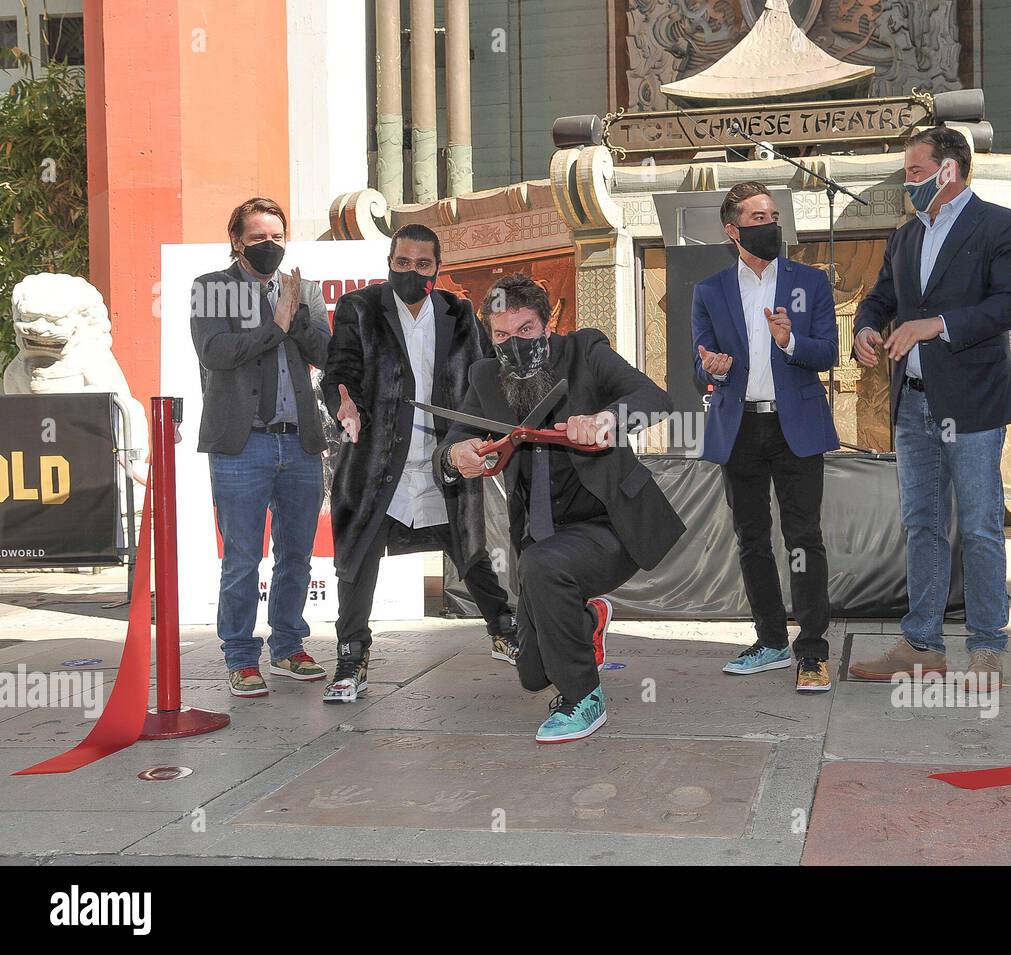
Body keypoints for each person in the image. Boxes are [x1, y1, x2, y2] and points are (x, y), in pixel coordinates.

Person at [440, 273, 685, 743]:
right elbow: (453, 440)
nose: (514, 344)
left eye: (526, 330)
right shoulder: (485, 376)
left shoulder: (586, 353)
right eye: (502, 335)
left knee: (543, 565)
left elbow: (656, 398)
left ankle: (583, 698)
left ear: (547, 324)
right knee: (532, 674)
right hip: (540, 538)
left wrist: (609, 417)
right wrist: (456, 456)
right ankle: (587, 620)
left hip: (610, 526)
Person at [849, 126, 1011, 683]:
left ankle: (986, 646)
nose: (907, 183)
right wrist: (864, 326)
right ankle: (922, 645)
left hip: (973, 404)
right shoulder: (905, 236)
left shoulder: (1000, 225)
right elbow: (883, 296)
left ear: (948, 170)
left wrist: (940, 325)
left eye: (913, 172)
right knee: (922, 525)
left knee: (979, 526)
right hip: (913, 405)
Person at [320, 224, 515, 703]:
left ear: (437, 268)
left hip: (445, 462)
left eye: (422, 265)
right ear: (390, 263)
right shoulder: (360, 308)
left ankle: (506, 633)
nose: (411, 272)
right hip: (377, 462)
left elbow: (483, 373)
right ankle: (352, 657)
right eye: (402, 263)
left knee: (470, 553)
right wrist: (342, 404)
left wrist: (494, 429)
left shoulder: (459, 312)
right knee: (358, 561)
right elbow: (339, 373)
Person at [691, 181, 840, 693]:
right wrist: (711, 366)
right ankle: (771, 640)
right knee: (751, 538)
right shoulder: (710, 290)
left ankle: (813, 651)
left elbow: (827, 354)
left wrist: (790, 340)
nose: (769, 225)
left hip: (794, 426)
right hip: (740, 429)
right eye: (757, 218)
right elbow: (700, 366)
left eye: (773, 215)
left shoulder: (810, 282)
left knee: (804, 539)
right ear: (733, 231)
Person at [190, 197, 332, 697]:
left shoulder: (304, 289)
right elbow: (217, 353)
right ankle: (240, 657)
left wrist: (297, 314)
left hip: (299, 444)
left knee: (296, 555)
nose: (269, 246)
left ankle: (289, 647)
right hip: (240, 444)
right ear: (237, 241)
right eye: (257, 238)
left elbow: (325, 353)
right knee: (242, 558)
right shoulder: (212, 289)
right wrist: (276, 323)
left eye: (277, 237)